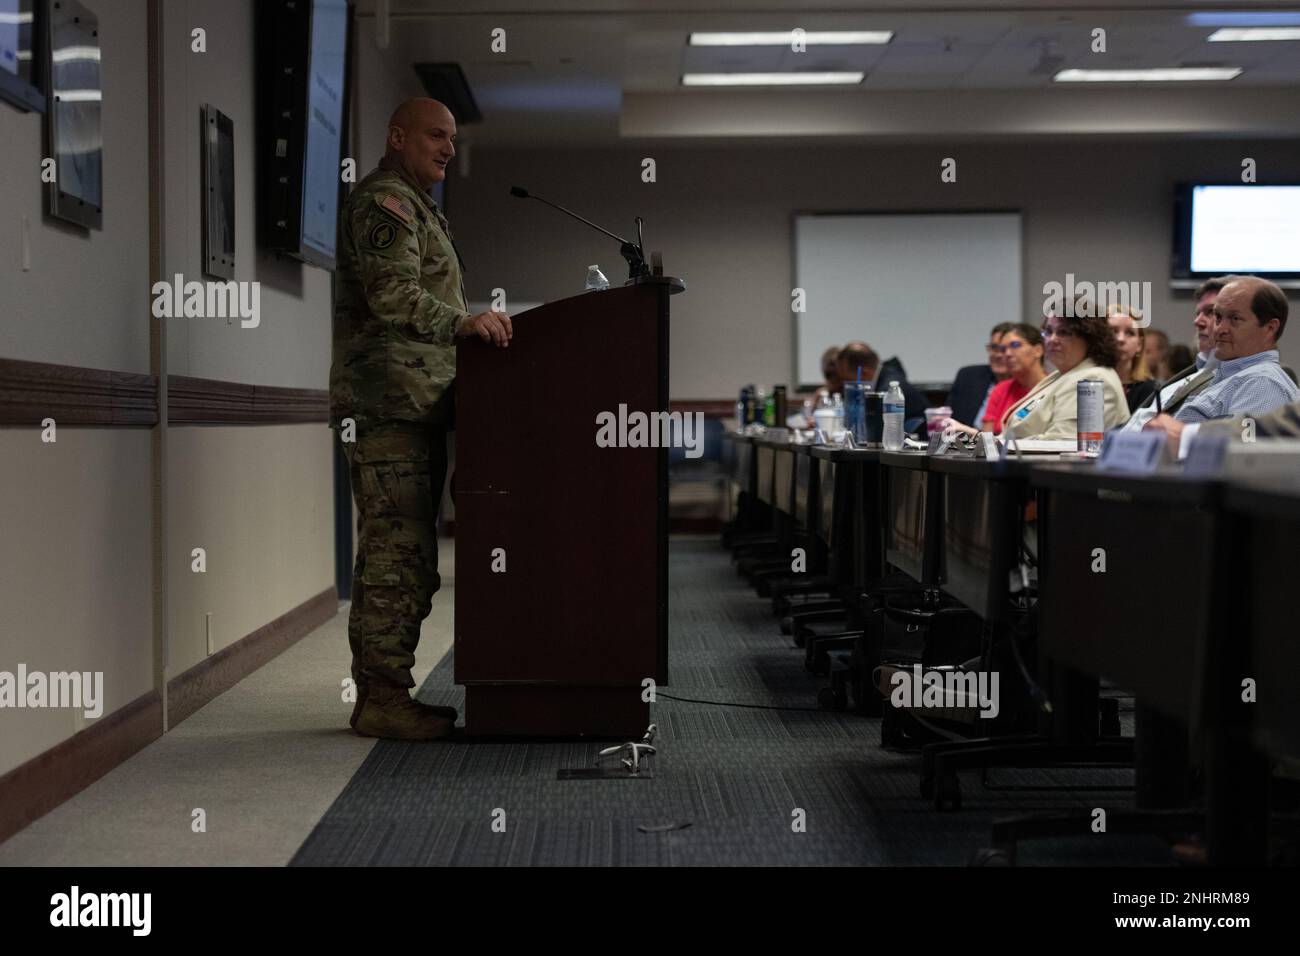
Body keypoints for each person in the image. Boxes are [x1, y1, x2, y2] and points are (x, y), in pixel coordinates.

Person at [330, 98, 513, 740]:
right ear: (397, 136)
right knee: (396, 557)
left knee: (405, 555)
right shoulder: (386, 203)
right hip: (389, 404)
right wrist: (461, 322)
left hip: (415, 402)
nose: (447, 149)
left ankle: (383, 694)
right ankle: (383, 699)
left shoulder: (418, 204)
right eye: (436, 136)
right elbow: (393, 295)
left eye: (454, 139)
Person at [1144, 276, 1297, 456]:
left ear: (1270, 328)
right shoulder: (1229, 375)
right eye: (1218, 317)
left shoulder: (1262, 382)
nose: (1220, 329)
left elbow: (1243, 459)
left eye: (1235, 318)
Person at [1121, 276, 1230, 432]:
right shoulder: (1197, 371)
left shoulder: (1235, 378)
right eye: (1198, 313)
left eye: (1210, 312)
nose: (1197, 321)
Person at [999, 309, 1128, 440]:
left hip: (1054, 460)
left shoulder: (1094, 379)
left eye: (1064, 332)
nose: (1052, 339)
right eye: (1048, 332)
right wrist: (986, 441)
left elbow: (1064, 442)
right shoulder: (1062, 375)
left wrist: (999, 445)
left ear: (1090, 339)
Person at [979, 324, 1047, 434]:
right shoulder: (1000, 389)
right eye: (1003, 349)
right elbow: (986, 441)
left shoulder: (1054, 388)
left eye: (1015, 345)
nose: (1007, 354)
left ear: (1038, 350)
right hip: (1000, 451)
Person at [947, 322, 1015, 429]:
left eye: (1003, 349)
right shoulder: (968, 377)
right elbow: (948, 418)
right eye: (993, 347)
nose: (997, 355)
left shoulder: (1024, 385)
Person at [1107, 305, 1158, 413]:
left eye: (1129, 333)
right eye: (1113, 331)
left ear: (1139, 344)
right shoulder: (1087, 384)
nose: (1120, 339)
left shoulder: (1151, 390)